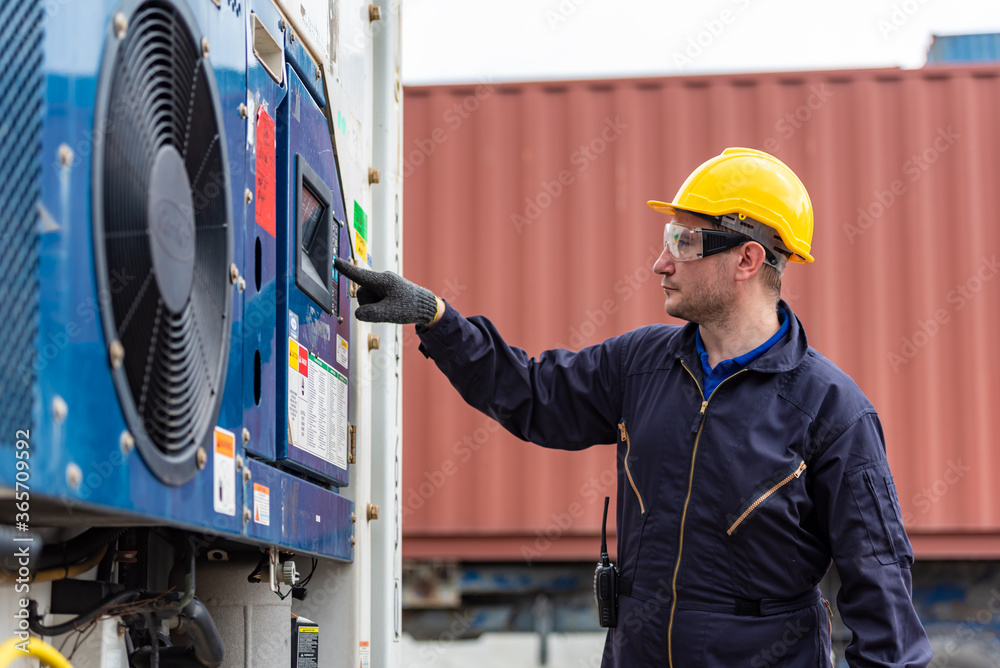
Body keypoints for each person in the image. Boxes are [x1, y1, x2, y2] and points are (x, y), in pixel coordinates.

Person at [335, 148, 932, 667]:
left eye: (683, 241)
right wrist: (437, 319)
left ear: (747, 260)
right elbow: (532, 394)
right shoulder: (641, 365)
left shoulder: (831, 410)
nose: (661, 262)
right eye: (665, 240)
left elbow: (880, 591)